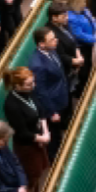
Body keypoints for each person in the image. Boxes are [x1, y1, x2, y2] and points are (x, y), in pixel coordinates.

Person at [2, 66, 51, 192]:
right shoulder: (11, 104)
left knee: (42, 172)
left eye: (33, 82)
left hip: (39, 138)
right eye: (29, 84)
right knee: (32, 177)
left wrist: (45, 132)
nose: (33, 86)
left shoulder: (28, 92)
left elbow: (41, 111)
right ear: (17, 86)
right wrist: (42, 138)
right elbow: (22, 133)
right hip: (27, 147)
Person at [29, 27, 70, 158]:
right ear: (41, 44)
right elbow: (41, 92)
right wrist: (52, 112)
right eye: (52, 39)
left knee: (62, 130)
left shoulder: (51, 50)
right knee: (54, 138)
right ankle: (56, 160)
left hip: (61, 97)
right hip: (52, 106)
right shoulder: (37, 64)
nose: (56, 41)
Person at [48, 2, 85, 97]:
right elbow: (60, 55)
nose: (67, 18)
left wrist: (78, 55)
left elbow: (73, 40)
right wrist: (75, 61)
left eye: (67, 15)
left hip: (74, 62)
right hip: (64, 70)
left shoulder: (64, 24)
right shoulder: (50, 34)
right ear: (54, 18)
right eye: (64, 16)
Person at [67, 0, 96, 86]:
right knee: (84, 69)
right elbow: (78, 34)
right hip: (81, 46)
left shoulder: (84, 9)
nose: (85, 3)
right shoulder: (71, 18)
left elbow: (92, 19)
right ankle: (82, 89)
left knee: (89, 63)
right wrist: (94, 39)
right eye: (83, 2)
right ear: (76, 3)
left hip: (89, 41)